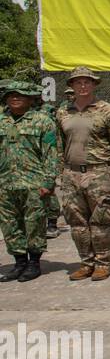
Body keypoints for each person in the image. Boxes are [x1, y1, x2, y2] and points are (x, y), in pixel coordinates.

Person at [56, 66, 110, 282]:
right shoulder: (63, 113)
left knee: (101, 221)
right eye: (78, 82)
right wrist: (60, 174)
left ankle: (103, 263)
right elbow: (60, 145)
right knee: (77, 223)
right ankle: (86, 262)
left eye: (87, 81)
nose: (83, 85)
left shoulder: (108, 111)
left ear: (94, 85)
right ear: (72, 86)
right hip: (71, 174)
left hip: (99, 173)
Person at [0, 81, 57, 282]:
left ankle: (34, 263)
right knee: (10, 225)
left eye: (20, 95)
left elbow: (50, 153)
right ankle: (19, 263)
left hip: (34, 183)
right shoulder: (1, 121)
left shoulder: (43, 121)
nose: (15, 98)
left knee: (34, 224)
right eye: (11, 95)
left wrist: (48, 181)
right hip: (5, 184)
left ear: (30, 99)